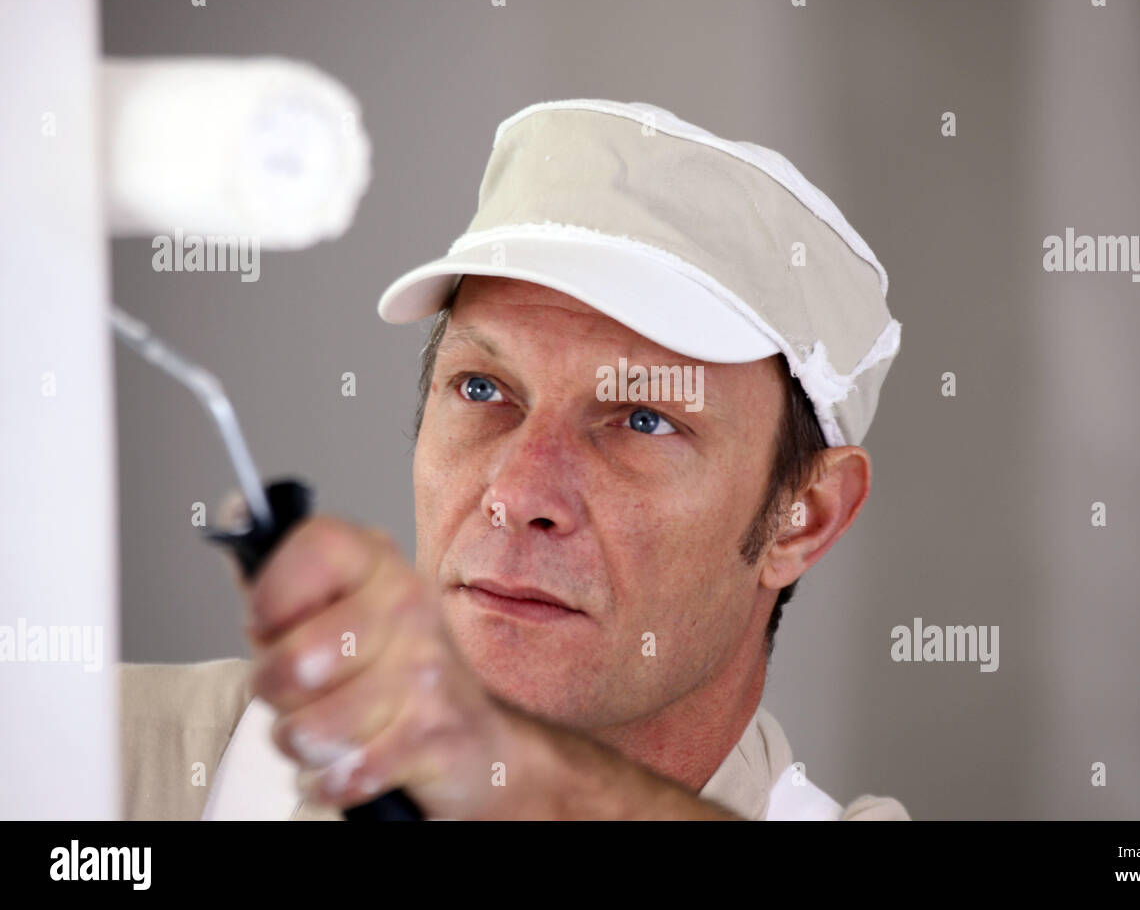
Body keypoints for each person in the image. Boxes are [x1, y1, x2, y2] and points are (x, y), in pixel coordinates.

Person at [119, 98, 907, 820]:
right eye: (483, 387)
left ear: (805, 519)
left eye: (642, 418)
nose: (518, 490)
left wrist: (522, 780)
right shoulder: (115, 768)